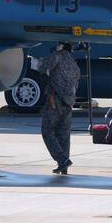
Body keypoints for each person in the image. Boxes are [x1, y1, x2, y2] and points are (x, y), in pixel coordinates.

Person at [39, 41, 81, 173]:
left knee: (47, 132)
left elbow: (42, 68)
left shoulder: (57, 56)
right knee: (64, 134)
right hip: (68, 103)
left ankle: (62, 160)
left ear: (61, 47)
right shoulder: (75, 66)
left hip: (54, 101)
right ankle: (64, 166)